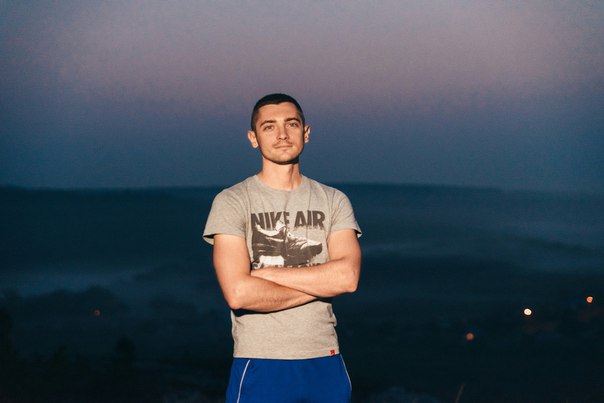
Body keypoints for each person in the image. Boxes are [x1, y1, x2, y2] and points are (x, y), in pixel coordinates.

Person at [203, 93, 362, 402]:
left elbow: (347, 278)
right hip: (261, 360)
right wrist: (324, 282)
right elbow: (239, 293)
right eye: (269, 126)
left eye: (291, 124)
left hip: (326, 359)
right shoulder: (232, 201)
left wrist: (266, 274)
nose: (282, 135)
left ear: (306, 133)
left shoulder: (334, 201)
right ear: (253, 138)